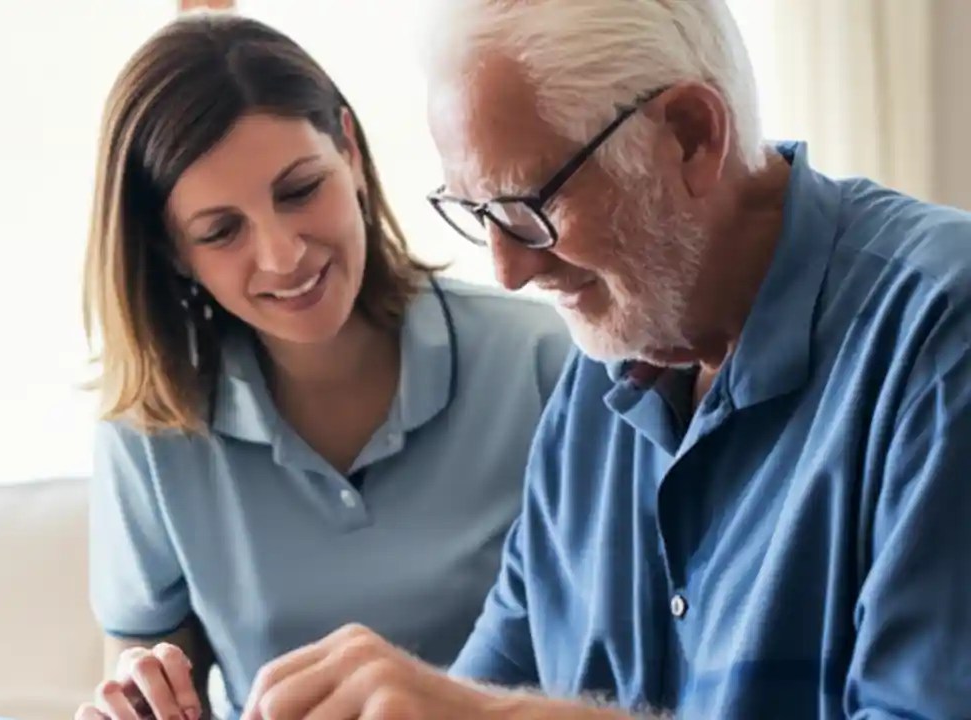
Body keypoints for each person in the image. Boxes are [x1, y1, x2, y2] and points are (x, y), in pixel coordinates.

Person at [239, 0, 971, 718]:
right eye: (479, 213)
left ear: (690, 136)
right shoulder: (605, 369)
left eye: (528, 207)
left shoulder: (941, 337)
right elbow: (493, 675)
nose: (508, 271)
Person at [74, 12, 571, 720]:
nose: (282, 255)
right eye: (221, 231)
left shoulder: (539, 361)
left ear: (351, 153)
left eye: (300, 189)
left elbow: (626, 666)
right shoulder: (150, 432)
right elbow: (151, 685)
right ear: (174, 251)